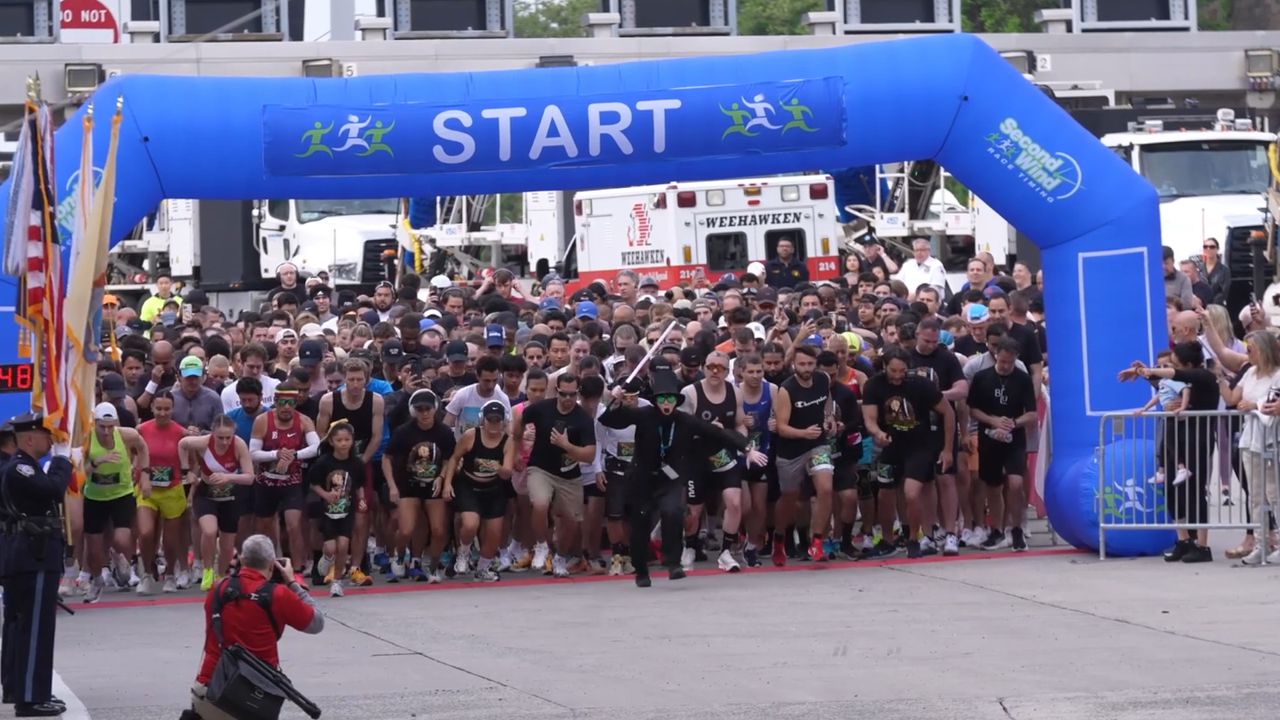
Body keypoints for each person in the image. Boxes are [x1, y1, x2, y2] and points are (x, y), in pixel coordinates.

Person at [598, 372, 757, 587]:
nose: (666, 403)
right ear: (655, 401)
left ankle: (673, 563)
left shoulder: (685, 420)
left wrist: (746, 448)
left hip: (670, 478)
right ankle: (641, 570)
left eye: (670, 399)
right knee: (641, 522)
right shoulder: (643, 414)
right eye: (662, 399)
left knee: (673, 512)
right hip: (642, 478)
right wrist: (614, 400)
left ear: (676, 401)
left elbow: (716, 432)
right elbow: (608, 420)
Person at [189, 534, 323, 720]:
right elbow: (316, 623)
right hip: (254, 697)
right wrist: (292, 583)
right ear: (272, 563)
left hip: (211, 688)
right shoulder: (279, 595)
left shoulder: (218, 589)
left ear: (242, 559)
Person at [0, 414, 73, 717]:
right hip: (33, 556)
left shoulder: (19, 466)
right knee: (35, 629)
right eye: (46, 435)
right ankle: (31, 698)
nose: (51, 440)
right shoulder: (20, 467)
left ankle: (19, 687)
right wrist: (63, 461)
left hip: (27, 555)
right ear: (29, 438)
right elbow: (51, 491)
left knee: (21, 626)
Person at [514, 373, 596, 578]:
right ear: (556, 391)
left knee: (572, 521)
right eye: (563, 394)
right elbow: (518, 419)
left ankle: (560, 557)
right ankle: (541, 546)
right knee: (540, 504)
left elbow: (589, 455)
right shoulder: (542, 408)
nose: (567, 398)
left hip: (570, 475)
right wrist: (516, 448)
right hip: (540, 468)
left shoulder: (582, 417)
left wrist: (566, 445)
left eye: (572, 394)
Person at [966, 338, 1038, 552]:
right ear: (996, 355)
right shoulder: (981, 377)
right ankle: (996, 529)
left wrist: (1013, 423)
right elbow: (973, 410)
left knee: (1015, 483)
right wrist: (993, 420)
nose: (1006, 366)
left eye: (1010, 362)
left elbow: (1032, 414)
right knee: (992, 485)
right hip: (988, 437)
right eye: (1002, 361)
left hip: (1014, 438)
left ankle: (1016, 528)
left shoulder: (1023, 379)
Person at [383, 389, 455, 583]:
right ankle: (398, 558)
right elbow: (386, 458)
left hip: (434, 485)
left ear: (435, 409)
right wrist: (392, 486)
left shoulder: (444, 432)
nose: (424, 413)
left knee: (439, 530)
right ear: (413, 410)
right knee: (406, 529)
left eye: (428, 409)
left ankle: (428, 565)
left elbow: (450, 459)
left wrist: (442, 478)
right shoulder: (403, 431)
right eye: (419, 409)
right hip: (407, 484)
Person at [81, 402, 151, 603]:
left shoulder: (126, 434)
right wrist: (96, 462)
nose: (106, 431)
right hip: (95, 497)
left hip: (121, 494)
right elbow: (79, 472)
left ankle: (120, 559)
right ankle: (96, 580)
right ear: (95, 424)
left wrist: (144, 474)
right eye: (102, 426)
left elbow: (143, 447)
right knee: (94, 549)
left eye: (110, 426)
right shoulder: (86, 438)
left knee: (122, 539)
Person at [180, 416, 257, 591]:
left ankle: (222, 575)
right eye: (220, 437)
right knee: (209, 530)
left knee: (227, 543)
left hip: (230, 496)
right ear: (212, 434)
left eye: (227, 437)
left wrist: (228, 477)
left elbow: (250, 477)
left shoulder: (238, 445)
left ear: (233, 434)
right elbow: (183, 444)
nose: (224, 441)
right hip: (206, 493)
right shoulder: (203, 442)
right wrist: (186, 472)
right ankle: (207, 570)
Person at [249, 384, 321, 569]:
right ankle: (271, 567)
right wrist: (277, 455)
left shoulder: (304, 420)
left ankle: (297, 569)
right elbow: (253, 453)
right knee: (265, 527)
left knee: (293, 525)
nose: (287, 407)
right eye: (282, 403)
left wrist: (293, 455)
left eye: (291, 403)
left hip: (291, 482)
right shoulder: (262, 420)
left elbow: (315, 447)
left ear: (296, 403)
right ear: (275, 402)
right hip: (266, 482)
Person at [442, 400, 515, 582]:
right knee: (470, 523)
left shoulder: (508, 441)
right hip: (469, 486)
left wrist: (502, 470)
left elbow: (507, 471)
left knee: (494, 533)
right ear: (483, 420)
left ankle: (483, 568)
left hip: (493, 487)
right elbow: (454, 458)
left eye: (498, 421)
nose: (494, 424)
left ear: (504, 421)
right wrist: (447, 484)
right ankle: (463, 552)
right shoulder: (471, 435)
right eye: (490, 420)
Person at [135, 390, 193, 594]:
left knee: (170, 540)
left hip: (172, 489)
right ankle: (147, 574)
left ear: (173, 409)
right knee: (145, 532)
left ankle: (169, 573)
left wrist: (191, 476)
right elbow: (132, 455)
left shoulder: (181, 432)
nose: (162, 413)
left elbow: (192, 458)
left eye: (166, 409)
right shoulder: (141, 430)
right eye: (158, 408)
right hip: (147, 489)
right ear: (151, 408)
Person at [307, 422, 364, 596]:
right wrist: (325, 494)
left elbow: (359, 485)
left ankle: (337, 581)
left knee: (343, 545)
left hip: (347, 510)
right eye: (339, 440)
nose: (343, 443)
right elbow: (313, 484)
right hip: (327, 511)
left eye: (347, 439)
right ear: (331, 442)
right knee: (331, 547)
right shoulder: (323, 462)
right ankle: (327, 558)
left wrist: (361, 500)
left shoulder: (356, 463)